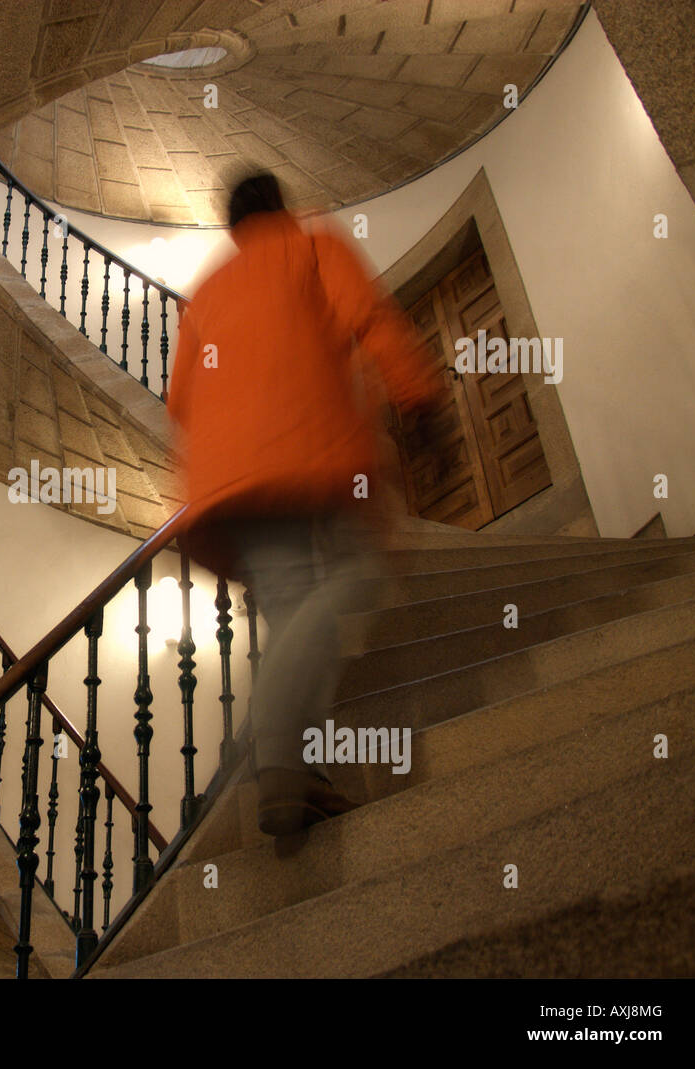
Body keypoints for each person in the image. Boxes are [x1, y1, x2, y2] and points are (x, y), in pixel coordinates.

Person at [166, 172, 448, 852]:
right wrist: (421, 397)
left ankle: (294, 767)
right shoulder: (313, 246)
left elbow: (180, 399)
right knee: (356, 576)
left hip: (229, 481)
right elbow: (370, 318)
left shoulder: (206, 291)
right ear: (281, 207)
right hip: (307, 453)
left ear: (233, 226)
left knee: (292, 606)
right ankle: (281, 760)